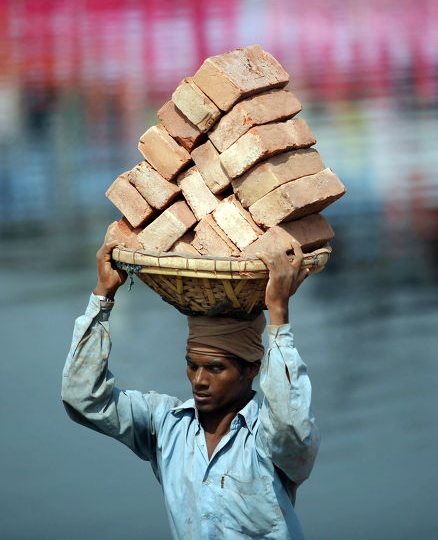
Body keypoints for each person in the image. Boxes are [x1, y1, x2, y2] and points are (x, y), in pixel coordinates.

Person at [62, 222, 320, 539]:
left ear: (251, 369)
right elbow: (83, 399)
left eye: (215, 369)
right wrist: (103, 295)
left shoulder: (269, 439)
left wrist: (279, 314)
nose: (198, 380)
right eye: (192, 366)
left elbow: (290, 425)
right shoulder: (166, 426)